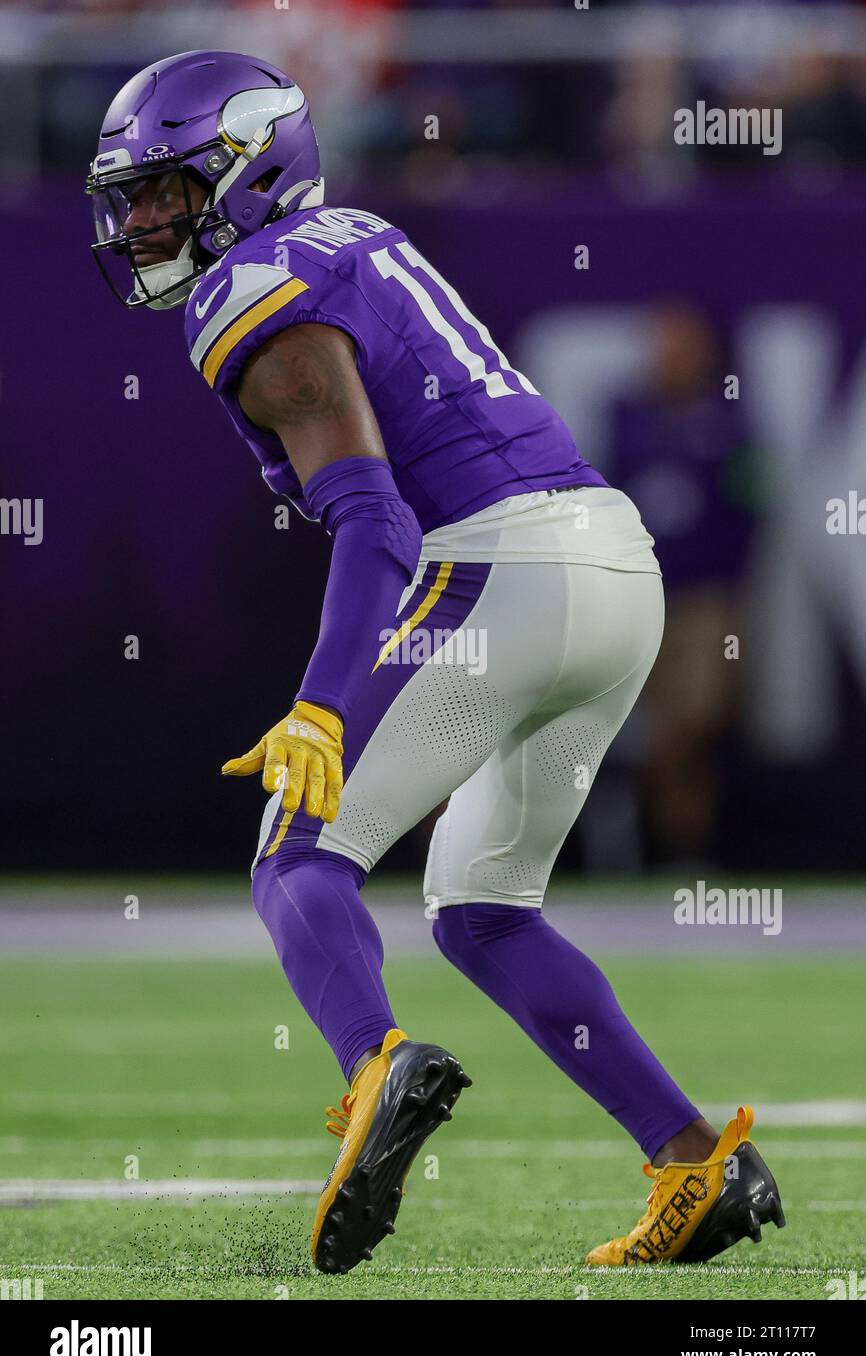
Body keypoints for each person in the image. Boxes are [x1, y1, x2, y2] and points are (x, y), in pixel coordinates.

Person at [87, 50, 784, 1275]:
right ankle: (693, 1160)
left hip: (500, 568)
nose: (143, 221)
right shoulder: (347, 234)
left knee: (296, 849)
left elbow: (377, 520)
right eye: (132, 198)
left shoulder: (246, 291)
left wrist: (318, 708)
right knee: (479, 910)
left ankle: (372, 1067)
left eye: (167, 191)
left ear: (249, 173)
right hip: (614, 569)